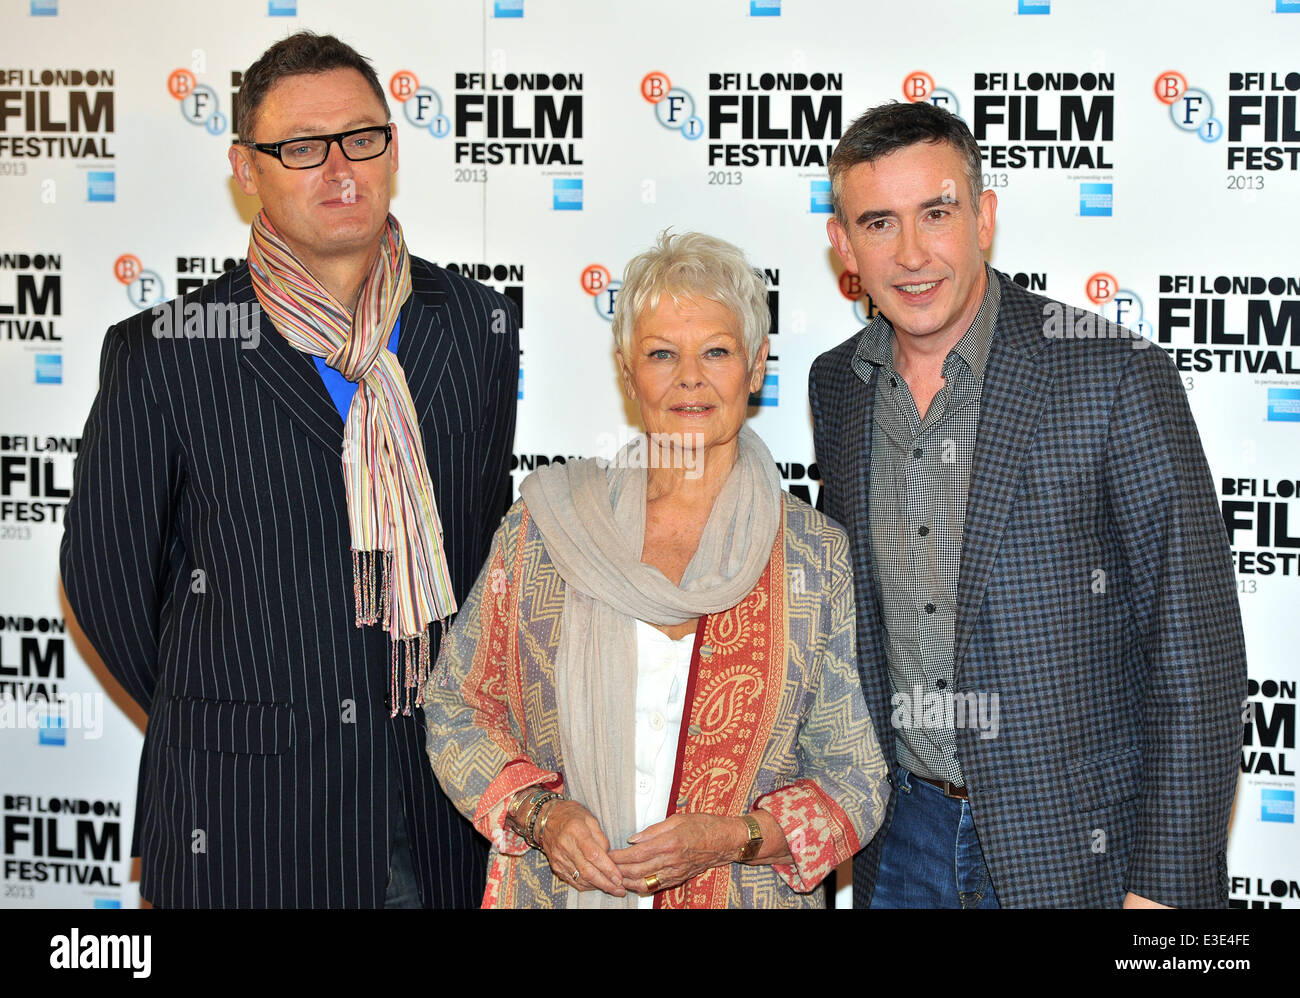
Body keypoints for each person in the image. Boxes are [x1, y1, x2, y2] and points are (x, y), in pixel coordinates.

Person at [58, 32, 517, 908]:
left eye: (362, 138)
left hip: (438, 801)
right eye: (302, 148)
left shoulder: (474, 326)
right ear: (246, 168)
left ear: (392, 145)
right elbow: (107, 581)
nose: (340, 169)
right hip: (242, 812)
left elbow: (481, 550)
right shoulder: (167, 351)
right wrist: (228, 715)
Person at [810, 100, 1248, 909]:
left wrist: (1163, 892)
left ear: (984, 218)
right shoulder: (838, 385)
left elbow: (1200, 657)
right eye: (879, 223)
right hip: (899, 841)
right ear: (844, 245)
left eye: (936, 214)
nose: (911, 254)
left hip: (1078, 856)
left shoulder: (1112, 376)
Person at [425, 230, 888, 908]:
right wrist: (539, 814)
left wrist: (732, 837)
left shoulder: (814, 557)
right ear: (626, 369)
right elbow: (456, 705)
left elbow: (856, 779)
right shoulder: (546, 529)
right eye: (662, 353)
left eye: (718, 351)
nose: (690, 377)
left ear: (758, 365)